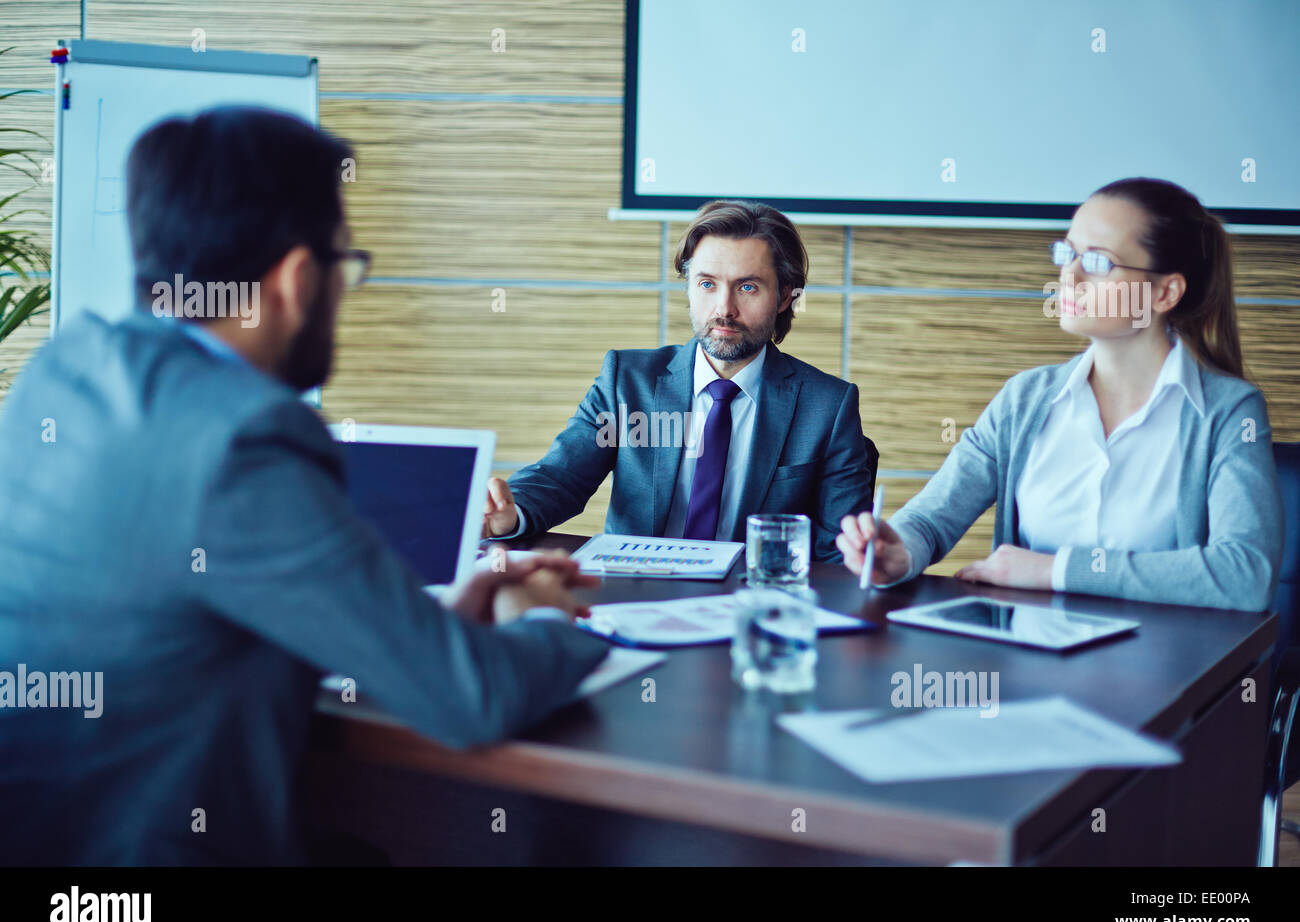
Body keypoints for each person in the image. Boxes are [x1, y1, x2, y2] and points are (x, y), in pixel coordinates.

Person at [0, 107, 608, 865]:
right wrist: (545, 617)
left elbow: (178, 613)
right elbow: (469, 698)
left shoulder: (63, 370)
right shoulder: (245, 439)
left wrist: (430, 625)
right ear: (295, 279)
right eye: (344, 265)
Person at [837, 178, 1282, 612]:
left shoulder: (1229, 411)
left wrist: (1056, 571)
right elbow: (932, 518)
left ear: (1165, 292)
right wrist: (899, 550)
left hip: (1163, 660)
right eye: (1067, 253)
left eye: (1099, 262)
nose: (1069, 276)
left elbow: (1246, 575)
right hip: (1029, 656)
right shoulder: (1025, 399)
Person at [483, 200, 877, 562]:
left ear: (786, 297)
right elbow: (561, 476)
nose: (724, 308)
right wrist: (511, 513)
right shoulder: (626, 381)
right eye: (707, 284)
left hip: (749, 600)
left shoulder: (828, 406)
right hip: (637, 592)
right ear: (688, 287)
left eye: (747, 287)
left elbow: (838, 554)